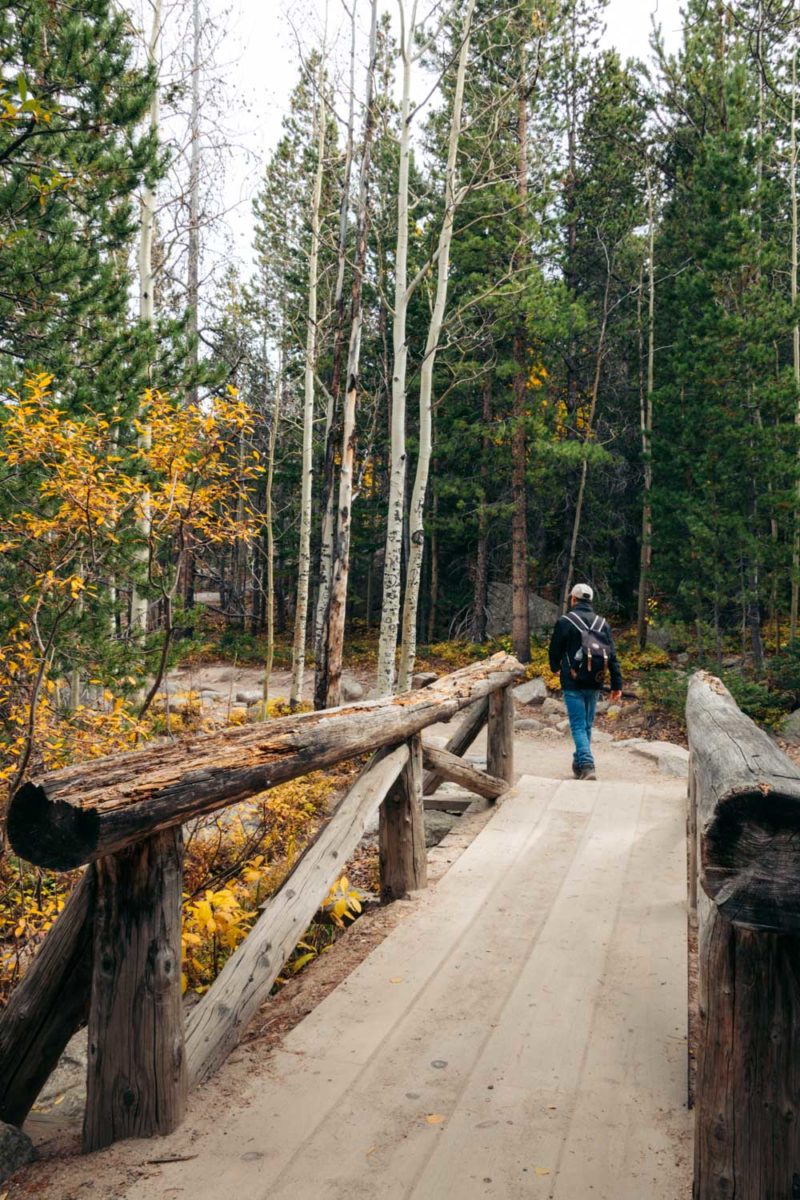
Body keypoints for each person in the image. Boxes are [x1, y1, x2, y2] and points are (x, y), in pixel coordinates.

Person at [548, 583, 622, 781]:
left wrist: (555, 668)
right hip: (595, 681)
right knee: (586, 725)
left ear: (573, 599)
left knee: (578, 726)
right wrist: (617, 685)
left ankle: (588, 765)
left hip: (572, 682)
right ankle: (579, 763)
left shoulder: (565, 621)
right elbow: (612, 656)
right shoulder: (602, 623)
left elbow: (555, 650)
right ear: (590, 601)